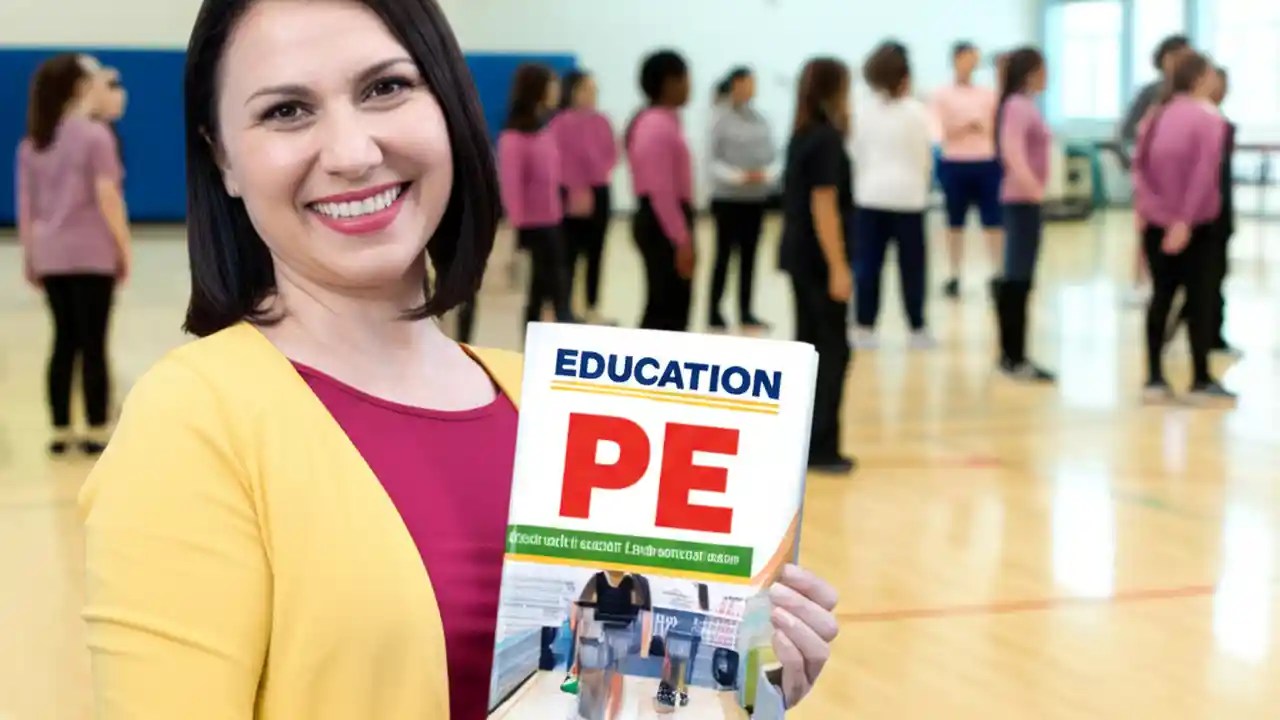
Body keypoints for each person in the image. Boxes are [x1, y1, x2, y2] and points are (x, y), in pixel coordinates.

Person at [77, 2, 841, 718]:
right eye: (286, 111)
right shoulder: (194, 423)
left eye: (385, 88)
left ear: (447, 102)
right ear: (224, 159)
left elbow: (603, 695)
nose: (352, 152)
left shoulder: (551, 401)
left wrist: (728, 691)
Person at [16, 53, 129, 456]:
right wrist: (123, 246)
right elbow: (107, 195)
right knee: (93, 342)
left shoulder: (32, 144)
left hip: (50, 256)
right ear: (80, 87)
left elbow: (27, 208)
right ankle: (96, 426)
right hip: (91, 253)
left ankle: (60, 428)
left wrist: (30, 256)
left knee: (63, 341)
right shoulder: (96, 136)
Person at [1133, 51, 1234, 403]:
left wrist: (1152, 211)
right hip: (1196, 225)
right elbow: (1204, 175)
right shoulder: (1210, 118)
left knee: (1160, 296)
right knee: (1199, 299)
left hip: (1156, 222)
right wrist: (1184, 221)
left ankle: (1154, 378)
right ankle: (1200, 379)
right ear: (1201, 78)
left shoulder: (1155, 114)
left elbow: (1139, 168)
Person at [779, 57, 856, 474]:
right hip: (817, 259)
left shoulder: (802, 134)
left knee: (810, 349)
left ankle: (805, 443)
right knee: (831, 352)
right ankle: (822, 447)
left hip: (798, 255)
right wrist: (838, 267)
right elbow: (824, 205)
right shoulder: (825, 139)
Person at [851, 41, 934, 350]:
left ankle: (864, 326)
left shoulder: (861, 111)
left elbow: (855, 154)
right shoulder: (917, 111)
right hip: (909, 198)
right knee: (912, 267)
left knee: (868, 265)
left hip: (869, 196)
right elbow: (925, 156)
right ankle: (917, 327)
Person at [993, 47, 1055, 382]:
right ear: (1031, 72)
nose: (1048, 76)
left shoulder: (1025, 104)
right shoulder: (1017, 105)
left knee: (1021, 277)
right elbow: (1011, 149)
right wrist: (1032, 188)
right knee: (1017, 279)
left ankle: (1014, 355)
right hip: (1021, 201)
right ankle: (1013, 357)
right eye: (1044, 69)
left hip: (1025, 200)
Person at [498, 63, 575, 325]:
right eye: (552, 86)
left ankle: (555, 329)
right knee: (543, 290)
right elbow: (511, 186)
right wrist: (517, 229)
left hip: (552, 219)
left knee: (549, 288)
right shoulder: (514, 137)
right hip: (532, 226)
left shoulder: (545, 129)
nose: (557, 91)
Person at [1121, 34, 1192, 305]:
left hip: (1183, 177)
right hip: (1152, 178)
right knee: (1146, 230)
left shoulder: (1191, 94)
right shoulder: (1151, 93)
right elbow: (1125, 132)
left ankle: (1178, 284)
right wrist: (1137, 166)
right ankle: (1141, 283)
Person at [627, 49, 695, 332]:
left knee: (669, 304)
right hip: (662, 222)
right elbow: (661, 191)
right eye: (685, 78)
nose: (690, 85)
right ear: (669, 83)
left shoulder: (665, 120)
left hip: (665, 219)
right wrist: (681, 239)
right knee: (666, 308)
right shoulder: (655, 125)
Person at [706, 66, 777, 333]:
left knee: (750, 257)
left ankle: (746, 312)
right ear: (735, 84)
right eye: (747, 83)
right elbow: (711, 160)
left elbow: (773, 154)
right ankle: (714, 311)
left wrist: (766, 174)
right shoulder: (719, 118)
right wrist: (738, 176)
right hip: (728, 198)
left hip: (755, 198)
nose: (751, 88)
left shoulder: (760, 119)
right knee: (723, 256)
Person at [931, 41, 1002, 299]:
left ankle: (997, 273)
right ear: (956, 59)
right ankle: (954, 274)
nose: (972, 63)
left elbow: (995, 126)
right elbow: (937, 130)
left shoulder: (988, 95)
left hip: (986, 161)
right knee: (954, 222)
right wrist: (963, 126)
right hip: (954, 162)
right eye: (968, 58)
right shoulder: (941, 94)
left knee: (993, 221)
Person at [549, 69, 618, 325]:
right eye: (586, 89)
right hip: (571, 193)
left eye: (594, 90)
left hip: (599, 191)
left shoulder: (602, 121)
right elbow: (559, 161)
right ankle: (564, 307)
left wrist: (597, 175)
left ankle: (592, 305)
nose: (591, 95)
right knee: (570, 253)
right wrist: (577, 188)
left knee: (596, 251)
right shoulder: (560, 123)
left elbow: (612, 153)